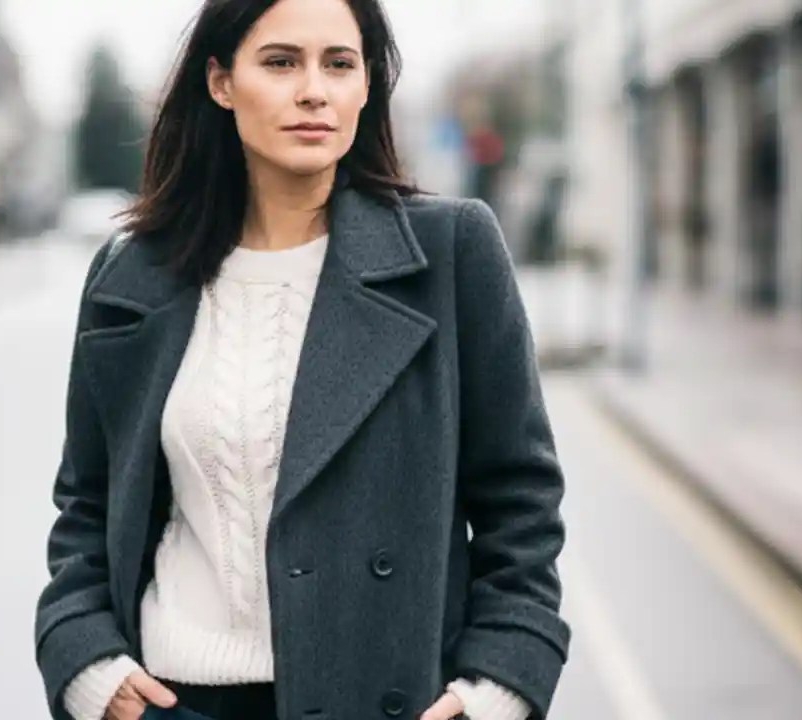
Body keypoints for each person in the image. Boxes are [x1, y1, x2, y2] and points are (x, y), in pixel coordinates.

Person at [34, 1, 570, 719]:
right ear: (221, 82)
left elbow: (521, 508)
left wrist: (497, 690)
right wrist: (88, 665)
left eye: (339, 64)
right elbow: (86, 505)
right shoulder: (134, 274)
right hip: (170, 699)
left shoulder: (450, 255)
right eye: (281, 62)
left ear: (366, 85)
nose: (314, 89)